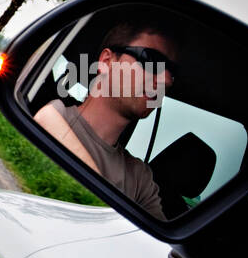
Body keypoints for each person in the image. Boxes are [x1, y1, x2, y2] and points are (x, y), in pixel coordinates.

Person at [34, 21, 177, 220]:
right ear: (107, 62)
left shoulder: (140, 179)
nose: (166, 80)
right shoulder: (53, 113)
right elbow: (45, 120)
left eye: (172, 73)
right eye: (152, 60)